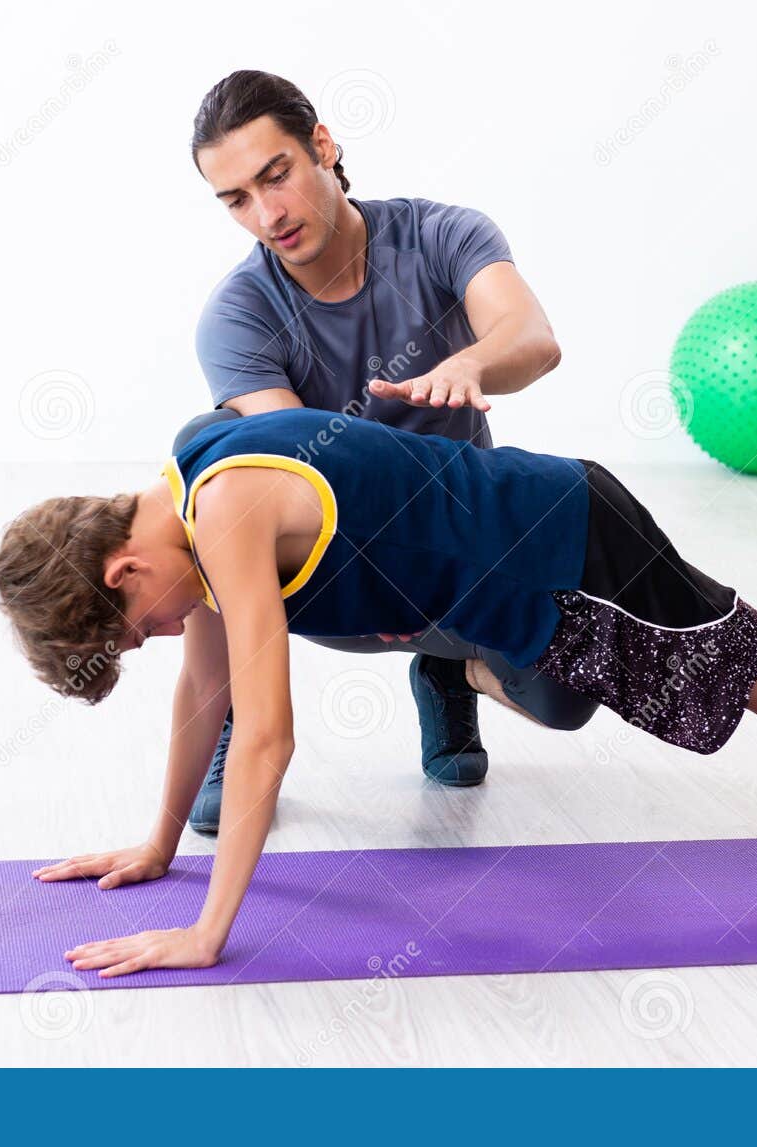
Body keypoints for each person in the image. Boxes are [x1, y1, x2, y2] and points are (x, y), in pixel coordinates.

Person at [0, 409, 757, 978]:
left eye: (130, 628)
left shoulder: (222, 512)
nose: (154, 636)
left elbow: (265, 739)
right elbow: (209, 689)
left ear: (119, 568)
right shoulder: (178, 487)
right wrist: (155, 846)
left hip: (564, 548)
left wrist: (206, 931)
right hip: (526, 567)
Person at [181, 69, 592, 823]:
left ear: (324, 148)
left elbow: (533, 341)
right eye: (236, 199)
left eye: (277, 176)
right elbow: (303, 468)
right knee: (209, 459)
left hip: (455, 549)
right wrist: (376, 569)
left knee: (567, 698)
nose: (267, 214)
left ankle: (449, 671)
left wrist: (472, 359)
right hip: (339, 571)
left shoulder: (442, 235)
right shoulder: (238, 316)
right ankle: (233, 721)